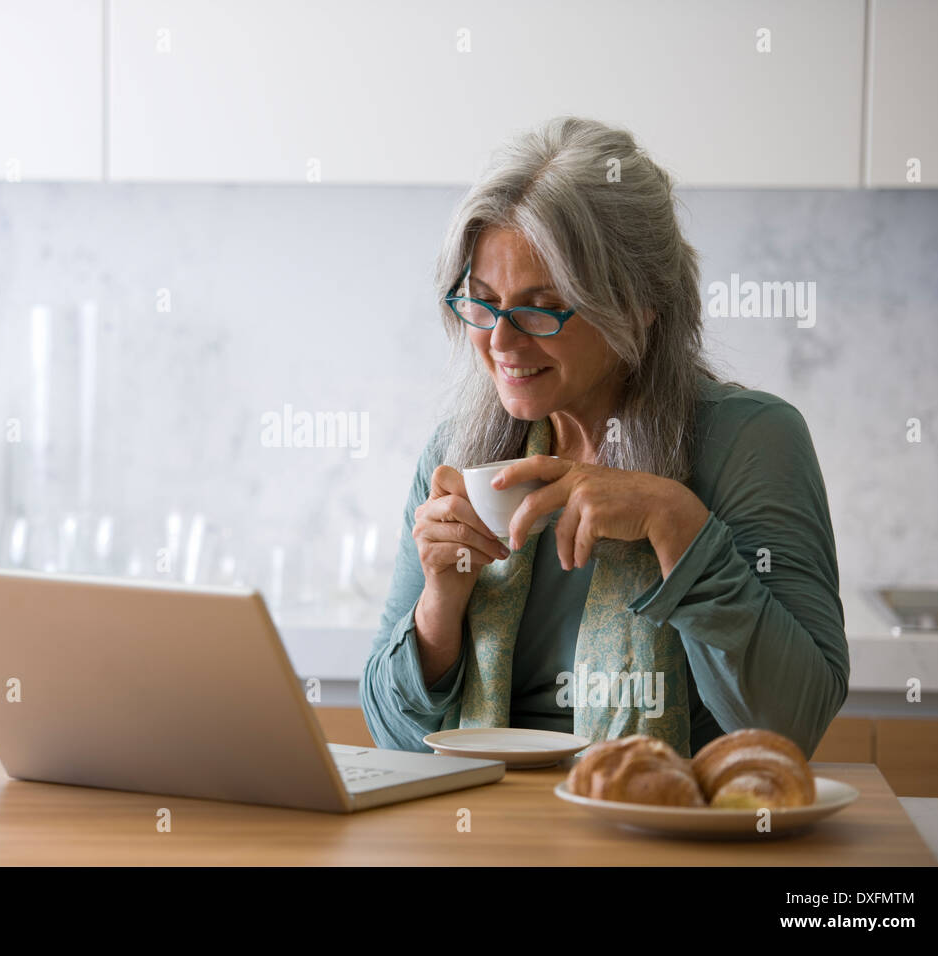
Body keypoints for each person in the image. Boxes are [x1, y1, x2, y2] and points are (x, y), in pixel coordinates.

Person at [360, 116, 848, 759]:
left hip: (664, 830)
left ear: (639, 305)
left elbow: (794, 724)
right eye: (481, 302)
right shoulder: (459, 457)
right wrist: (439, 607)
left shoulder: (751, 441)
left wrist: (678, 526)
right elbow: (391, 738)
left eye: (540, 306)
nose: (501, 341)